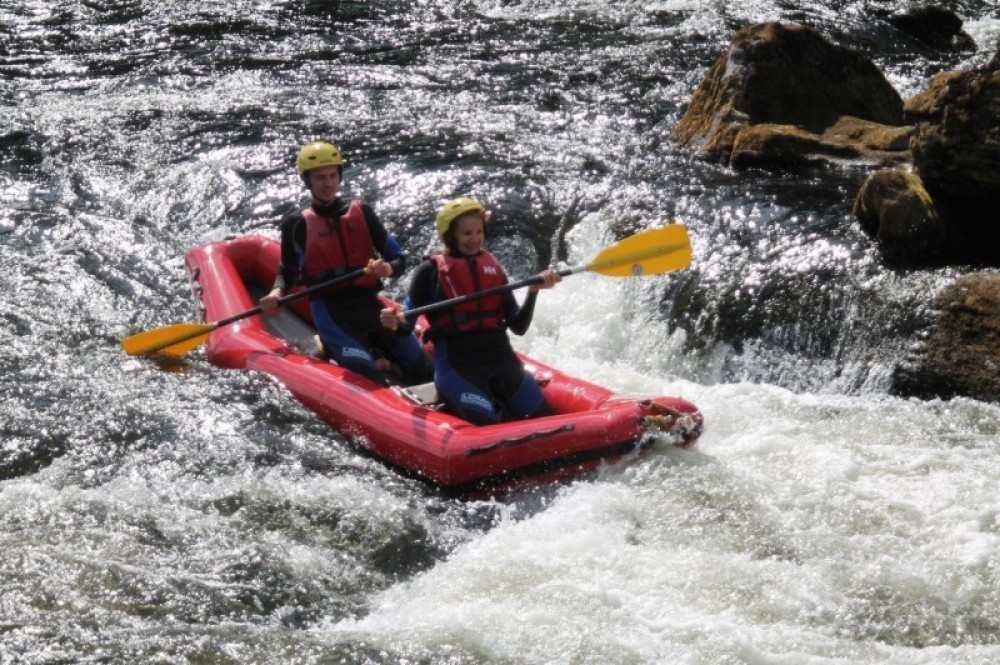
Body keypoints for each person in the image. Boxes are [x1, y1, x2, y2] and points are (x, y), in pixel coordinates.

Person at [260, 141, 432, 386]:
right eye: (320, 178)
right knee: (367, 376)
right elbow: (286, 270)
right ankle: (344, 350)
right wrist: (276, 291)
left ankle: (384, 359)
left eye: (333, 176)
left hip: (371, 306)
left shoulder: (362, 212)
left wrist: (388, 268)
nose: (328, 183)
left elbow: (399, 258)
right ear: (307, 181)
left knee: (424, 367)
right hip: (331, 312)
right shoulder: (296, 224)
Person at [380, 197, 561, 425]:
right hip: (459, 369)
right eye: (466, 233)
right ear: (450, 236)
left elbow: (518, 326)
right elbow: (405, 325)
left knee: (547, 422)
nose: (474, 239)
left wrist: (533, 291)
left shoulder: (492, 266)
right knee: (487, 428)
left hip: (504, 363)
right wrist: (393, 323)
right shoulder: (430, 271)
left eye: (478, 232)